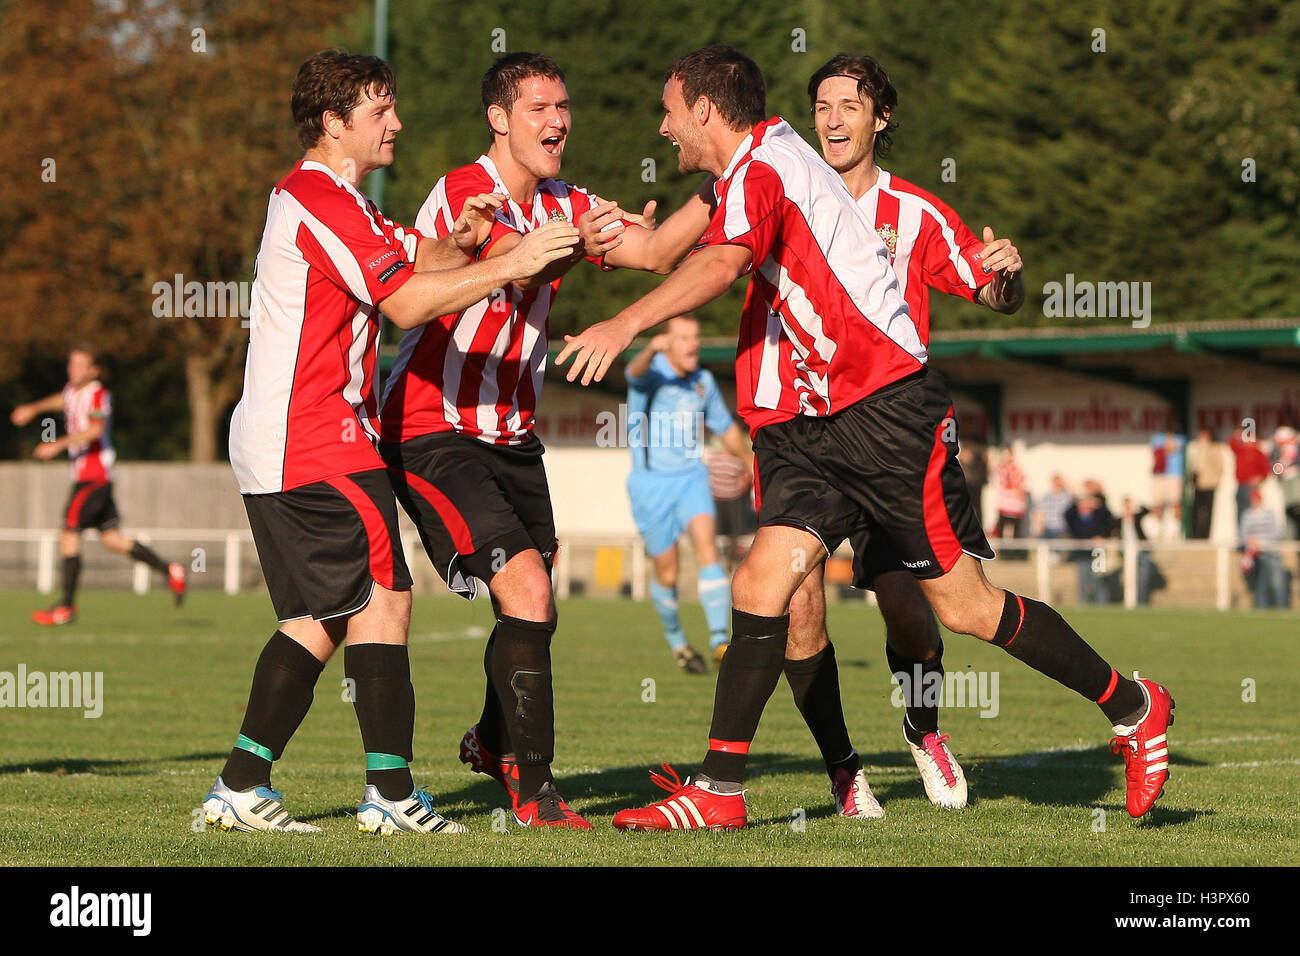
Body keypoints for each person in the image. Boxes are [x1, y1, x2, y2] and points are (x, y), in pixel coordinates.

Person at [557, 45, 1175, 828]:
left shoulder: (769, 168)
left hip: (886, 412)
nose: (662, 125)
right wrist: (571, 230)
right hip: (813, 427)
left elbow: (721, 264)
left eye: (670, 110)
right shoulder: (757, 165)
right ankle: (722, 792)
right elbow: (656, 250)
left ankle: (1133, 705)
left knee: (961, 609)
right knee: (764, 586)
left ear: (705, 111)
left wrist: (622, 325)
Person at [204, 48, 579, 835]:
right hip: (312, 433)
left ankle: (241, 784)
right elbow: (406, 304)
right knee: (386, 595)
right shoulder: (319, 198)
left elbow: (416, 259)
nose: (397, 123)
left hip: (302, 433)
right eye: (380, 110)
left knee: (320, 617)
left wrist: (471, 243)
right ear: (335, 123)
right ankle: (392, 795)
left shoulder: (339, 199)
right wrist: (514, 258)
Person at [379, 52, 713, 827]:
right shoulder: (468, 193)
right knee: (526, 589)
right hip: (435, 430)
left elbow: (657, 251)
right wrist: (577, 238)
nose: (558, 121)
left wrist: (735, 170)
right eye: (539, 108)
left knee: (537, 608)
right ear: (499, 120)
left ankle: (493, 742)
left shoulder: (568, 201)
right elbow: (512, 264)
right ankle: (536, 796)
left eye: (563, 107)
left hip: (512, 437)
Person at [11, 345, 187, 625]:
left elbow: (95, 430)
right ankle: (171, 569)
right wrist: (34, 408)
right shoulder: (73, 392)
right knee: (112, 539)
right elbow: (62, 401)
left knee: (69, 534)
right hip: (91, 479)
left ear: (93, 370)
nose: (73, 369)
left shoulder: (99, 395)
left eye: (80, 365)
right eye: (71, 364)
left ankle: (66, 607)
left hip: (94, 478)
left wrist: (56, 444)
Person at [624, 314, 752, 673]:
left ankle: (719, 642)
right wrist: (649, 348)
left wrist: (750, 464)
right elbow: (633, 372)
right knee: (668, 573)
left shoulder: (702, 381)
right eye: (682, 338)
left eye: (694, 337)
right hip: (651, 486)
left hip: (692, 478)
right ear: (666, 342)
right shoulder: (651, 375)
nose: (692, 345)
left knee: (708, 550)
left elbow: (724, 427)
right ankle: (678, 642)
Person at [1240, 489, 1290, 608]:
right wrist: (1251, 542)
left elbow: (1275, 532)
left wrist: (1261, 542)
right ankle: (1261, 606)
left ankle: (1281, 607)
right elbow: (1244, 533)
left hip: (1270, 552)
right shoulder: (1247, 515)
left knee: (1277, 582)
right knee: (1259, 583)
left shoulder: (1269, 513)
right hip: (1255, 553)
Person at [1065, 493, 1115, 604]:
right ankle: (1083, 603)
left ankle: (1101, 603)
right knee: (1083, 580)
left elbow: (1109, 519)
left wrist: (1099, 504)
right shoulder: (1074, 517)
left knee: (1098, 579)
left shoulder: (1098, 515)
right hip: (1081, 553)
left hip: (1097, 553)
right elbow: (1067, 513)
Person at [1228, 425, 1271, 531]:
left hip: (1251, 488)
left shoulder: (1258, 453)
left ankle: (1252, 537)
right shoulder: (1241, 450)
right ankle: (1241, 536)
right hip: (1241, 485)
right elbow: (1231, 444)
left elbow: (1266, 470)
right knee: (1240, 512)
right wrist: (1237, 435)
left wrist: (1259, 478)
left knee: (1251, 512)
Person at [1186, 427, 1226, 539]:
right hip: (1198, 484)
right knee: (1195, 511)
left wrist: (1214, 481)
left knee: (1207, 512)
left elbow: (1220, 467)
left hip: (1209, 485)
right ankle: (1194, 535)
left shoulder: (1214, 448)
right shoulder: (1196, 448)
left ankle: (1205, 535)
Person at [1149, 423, 1187, 538]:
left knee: (1175, 502)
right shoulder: (1157, 437)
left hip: (1174, 475)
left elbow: (1172, 448)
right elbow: (1158, 450)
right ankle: (1159, 529)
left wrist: (1167, 446)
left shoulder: (1181, 437)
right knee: (1157, 503)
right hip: (1160, 474)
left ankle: (1176, 530)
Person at [1034, 474, 1074, 540]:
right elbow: (1039, 512)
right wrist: (1039, 526)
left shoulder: (1066, 496)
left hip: (1062, 528)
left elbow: (1074, 490)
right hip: (1047, 528)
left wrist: (1065, 482)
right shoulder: (1046, 496)